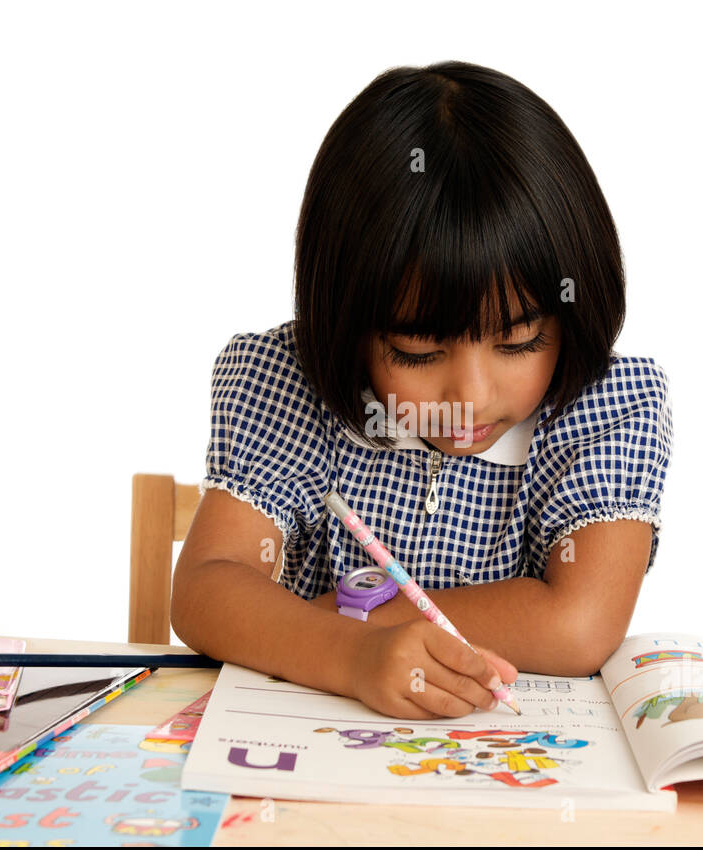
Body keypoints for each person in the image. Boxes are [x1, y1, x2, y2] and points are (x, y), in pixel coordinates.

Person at [171, 61, 673, 720]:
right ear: (346, 323)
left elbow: (577, 623)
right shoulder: (291, 385)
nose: (468, 394)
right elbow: (205, 591)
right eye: (417, 351)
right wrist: (352, 656)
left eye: (519, 341)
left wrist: (323, 622)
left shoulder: (604, 410)